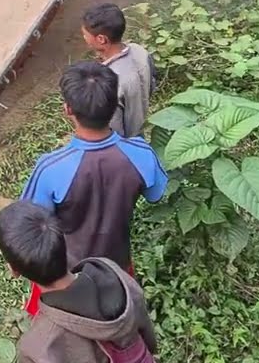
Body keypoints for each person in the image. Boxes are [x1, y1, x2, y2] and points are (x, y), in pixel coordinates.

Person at [19, 61, 169, 317]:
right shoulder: (141, 153)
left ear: (68, 109)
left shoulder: (50, 169)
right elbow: (156, 194)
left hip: (63, 278)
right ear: (113, 106)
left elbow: (29, 227)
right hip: (117, 267)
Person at [0, 201, 162, 363]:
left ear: (14, 270)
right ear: (62, 244)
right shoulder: (111, 271)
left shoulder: (39, 350)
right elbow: (148, 339)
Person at [81, 3, 156, 139]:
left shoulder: (107, 81)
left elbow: (113, 131)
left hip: (123, 143)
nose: (84, 38)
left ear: (101, 39)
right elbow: (151, 85)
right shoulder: (140, 51)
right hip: (140, 130)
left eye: (85, 35)